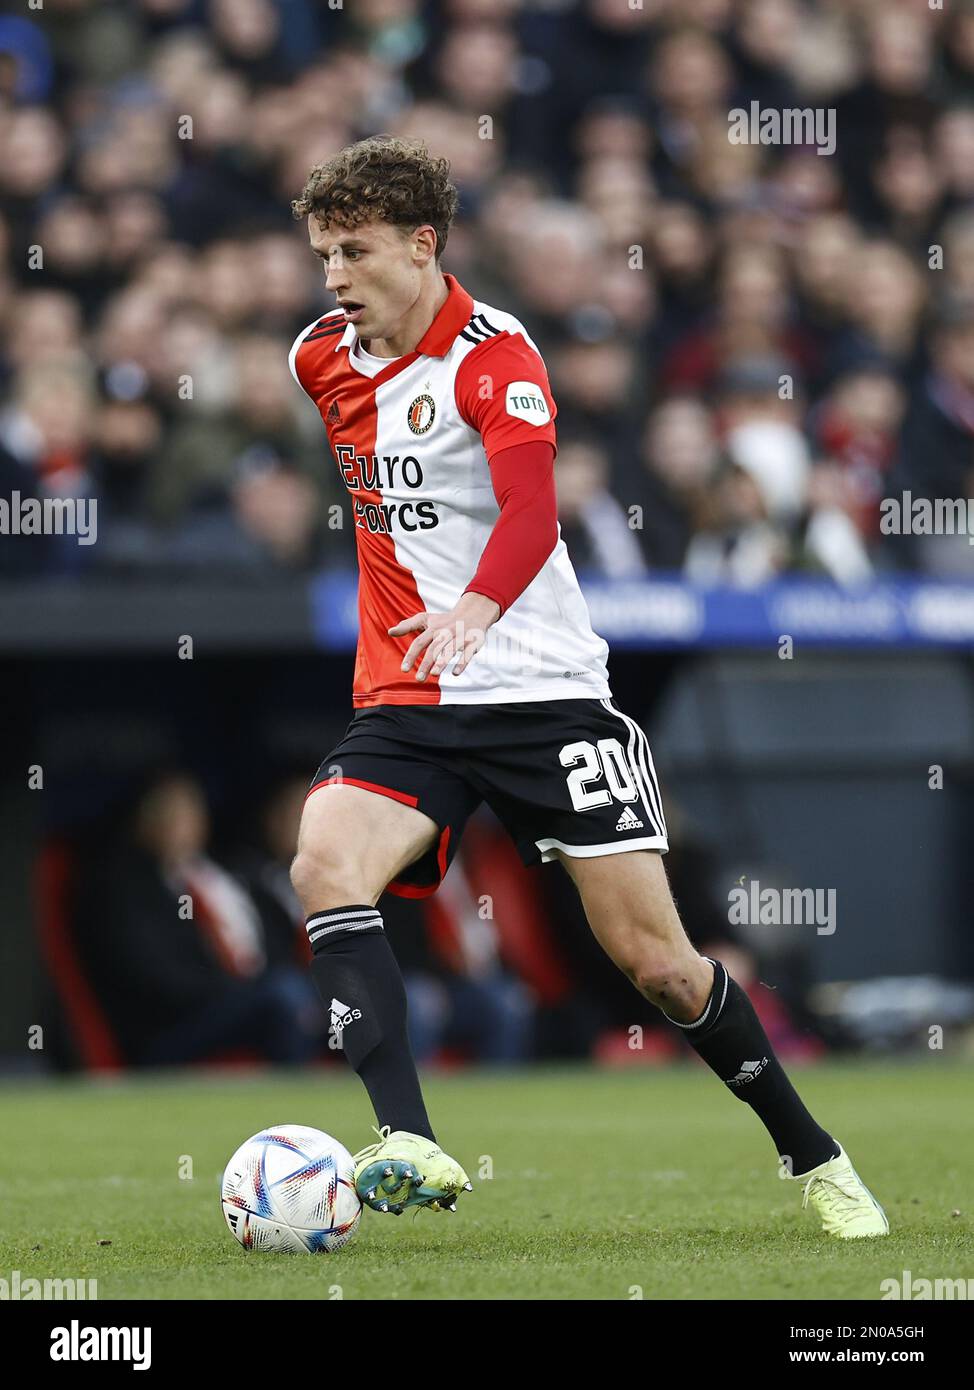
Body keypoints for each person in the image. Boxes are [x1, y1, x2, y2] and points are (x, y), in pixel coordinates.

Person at [286, 135, 888, 1236]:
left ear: (423, 247)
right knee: (324, 861)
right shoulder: (317, 357)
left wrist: (475, 606)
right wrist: (433, 625)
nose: (333, 276)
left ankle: (815, 1157)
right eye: (323, 252)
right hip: (412, 696)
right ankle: (407, 1137)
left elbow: (528, 512)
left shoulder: (495, 354)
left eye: (355, 252)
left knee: (657, 964)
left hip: (543, 689)